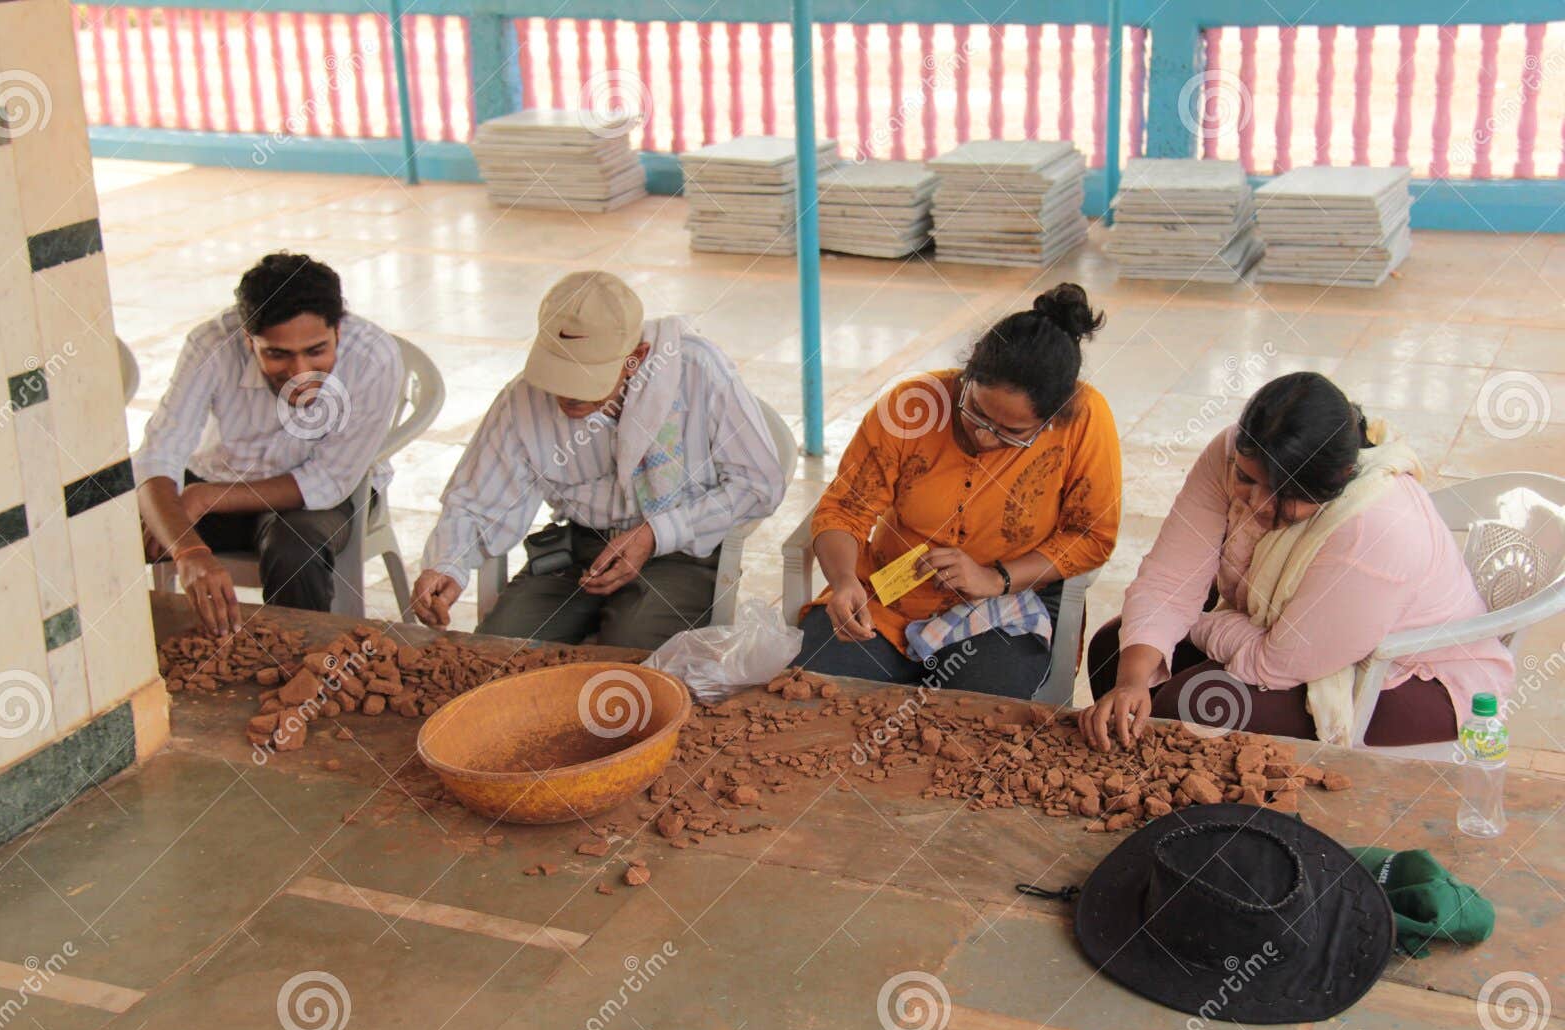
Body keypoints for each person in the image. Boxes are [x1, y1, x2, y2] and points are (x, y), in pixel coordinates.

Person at [1081, 372, 1515, 751]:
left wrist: (1195, 622)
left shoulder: (1375, 526)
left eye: (1284, 495)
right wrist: (1131, 681)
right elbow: (1171, 575)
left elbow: (1274, 662)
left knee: (1189, 705)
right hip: (1293, 636)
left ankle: (1226, 816)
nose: (1257, 504)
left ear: (1338, 482)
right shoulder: (1232, 452)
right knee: (1113, 652)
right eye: (1246, 480)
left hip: (1411, 675)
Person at [410, 270, 786, 650]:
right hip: (581, 548)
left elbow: (758, 485)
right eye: (559, 375)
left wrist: (655, 534)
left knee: (629, 654)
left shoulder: (696, 370)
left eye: (585, 379)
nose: (568, 395)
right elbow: (477, 501)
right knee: (500, 649)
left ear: (636, 358)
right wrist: (447, 565)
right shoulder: (523, 398)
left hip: (681, 553)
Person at [792, 283, 1122, 700]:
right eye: (976, 412)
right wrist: (843, 581)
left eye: (1012, 433)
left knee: (973, 711)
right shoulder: (913, 405)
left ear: (1050, 420)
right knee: (815, 690)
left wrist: (995, 578)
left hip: (1003, 610)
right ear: (967, 374)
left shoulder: (1083, 419)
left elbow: (1091, 535)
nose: (985, 437)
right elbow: (845, 510)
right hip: (886, 596)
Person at [135, 253, 403, 635]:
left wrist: (204, 499)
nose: (300, 372)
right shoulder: (211, 344)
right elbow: (158, 455)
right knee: (108, 525)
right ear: (249, 340)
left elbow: (329, 480)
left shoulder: (374, 357)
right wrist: (188, 550)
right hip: (218, 474)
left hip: (319, 499)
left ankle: (300, 663)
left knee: (294, 552)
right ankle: (131, 656)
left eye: (316, 350)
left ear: (338, 332)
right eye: (278, 354)